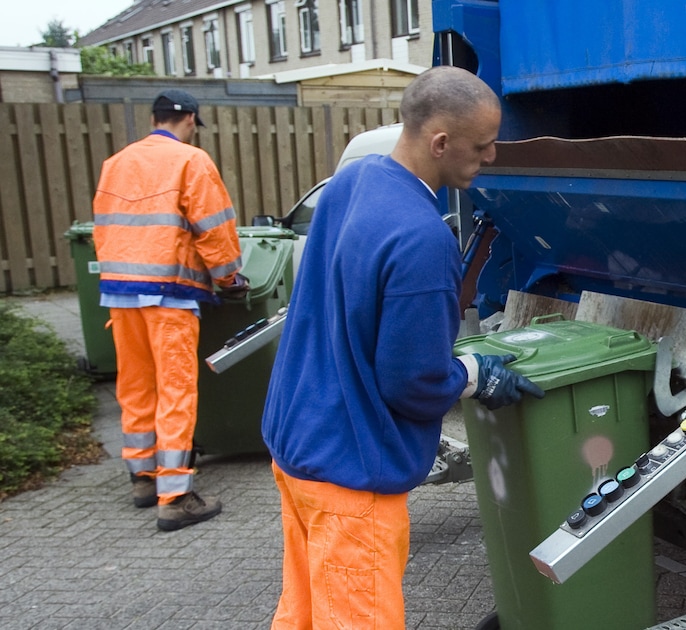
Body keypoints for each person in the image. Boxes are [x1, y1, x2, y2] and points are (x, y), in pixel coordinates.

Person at [261, 66, 544, 627]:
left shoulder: (352, 181)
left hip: (297, 447)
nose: (490, 157)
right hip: (352, 477)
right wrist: (475, 373)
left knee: (305, 614)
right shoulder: (422, 237)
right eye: (482, 145)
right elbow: (411, 382)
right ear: (440, 142)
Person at [92, 88, 247, 532]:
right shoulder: (190, 161)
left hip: (120, 294)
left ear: (155, 118)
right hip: (169, 294)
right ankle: (175, 497)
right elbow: (213, 228)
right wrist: (230, 279)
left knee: (136, 385)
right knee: (176, 391)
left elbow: (105, 227)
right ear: (192, 121)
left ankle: (142, 478)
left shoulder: (115, 162)